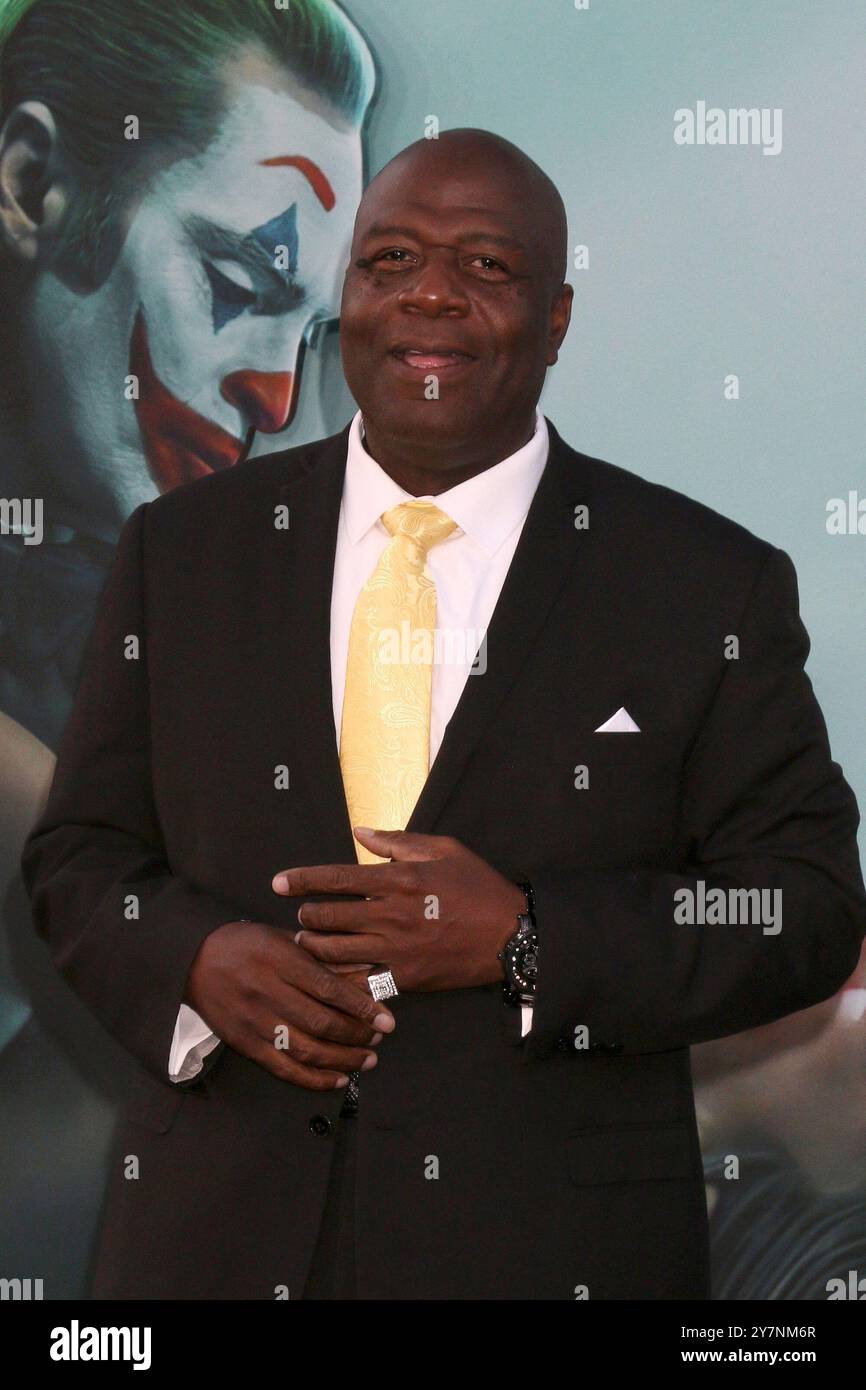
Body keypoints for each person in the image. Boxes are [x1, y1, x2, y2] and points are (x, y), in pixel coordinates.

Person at [21, 127, 866, 1301]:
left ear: (556, 319)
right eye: (391, 260)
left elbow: (803, 906)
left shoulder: (699, 584)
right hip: (209, 1245)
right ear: (344, 297)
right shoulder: (185, 552)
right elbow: (78, 857)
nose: (429, 294)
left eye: (485, 267)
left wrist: (528, 938)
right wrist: (196, 961)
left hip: (551, 1252)